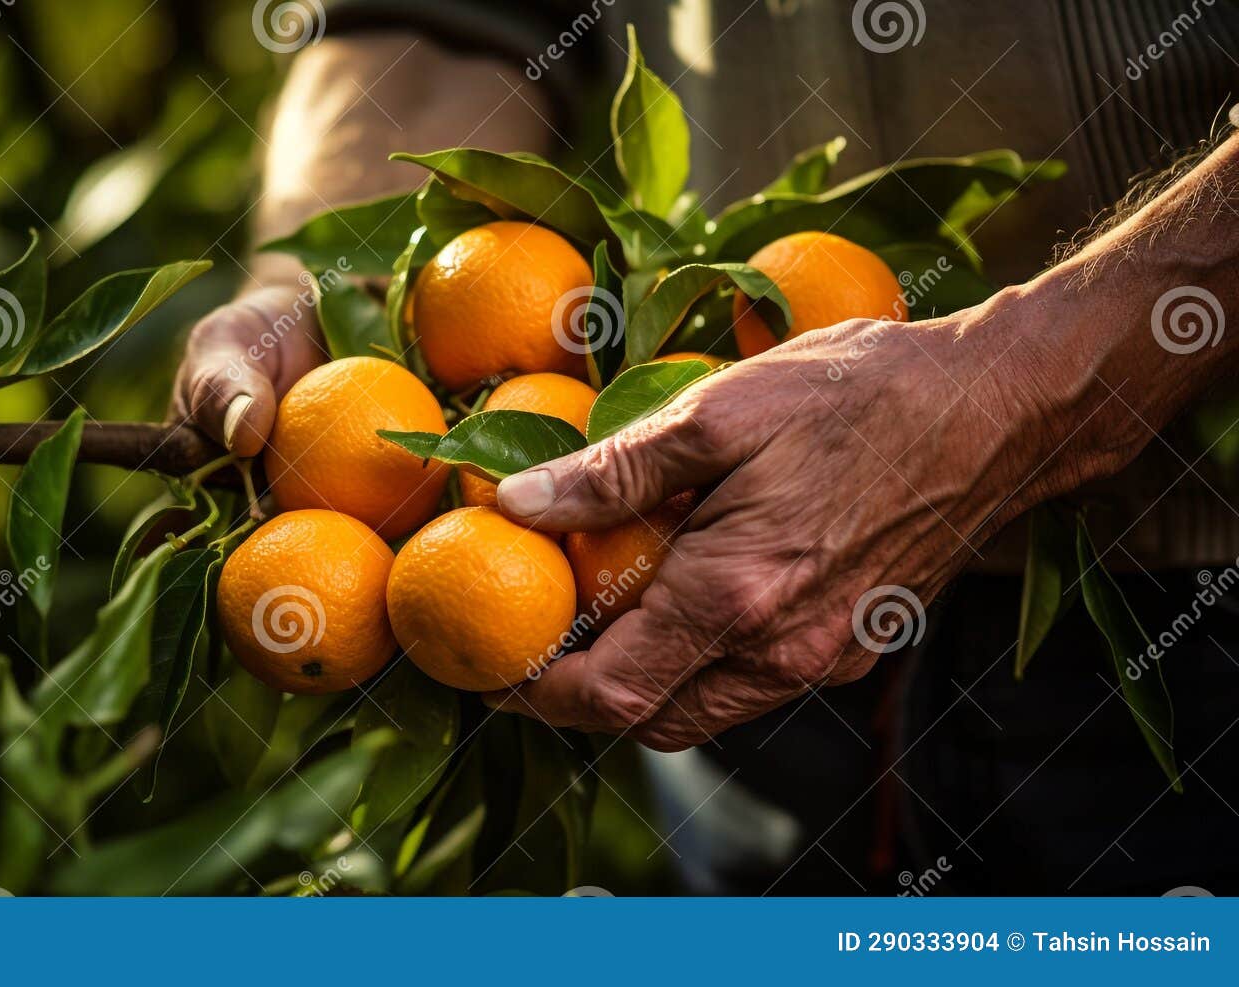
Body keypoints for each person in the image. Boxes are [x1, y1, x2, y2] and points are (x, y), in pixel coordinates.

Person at [175, 1, 1239, 893]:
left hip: (1191, 594)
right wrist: (311, 294)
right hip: (708, 598)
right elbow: (431, 20)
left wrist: (1020, 383)